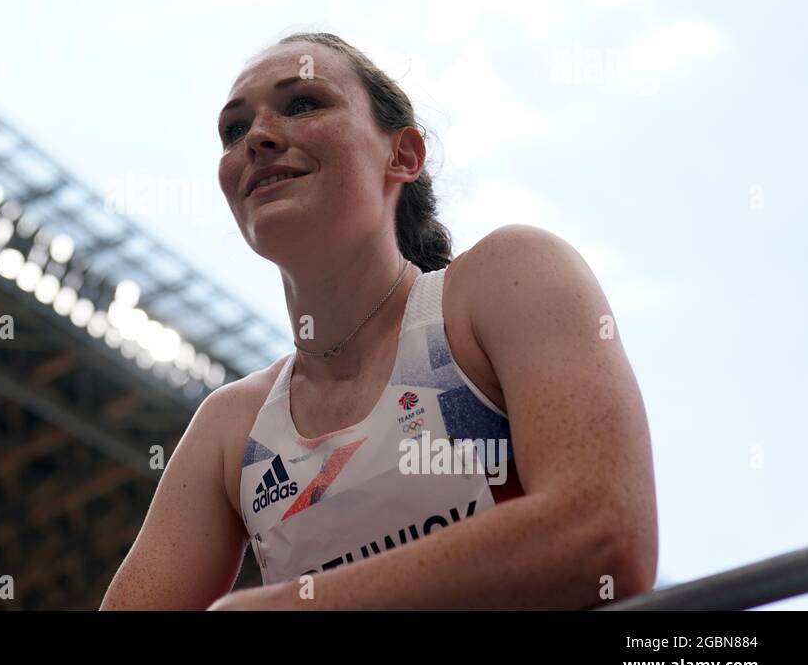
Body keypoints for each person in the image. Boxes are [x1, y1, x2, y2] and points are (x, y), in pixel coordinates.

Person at [100, 31, 658, 610]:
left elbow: (604, 535)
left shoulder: (504, 281)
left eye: (303, 104)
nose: (257, 139)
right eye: (233, 130)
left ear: (403, 156)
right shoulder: (230, 426)